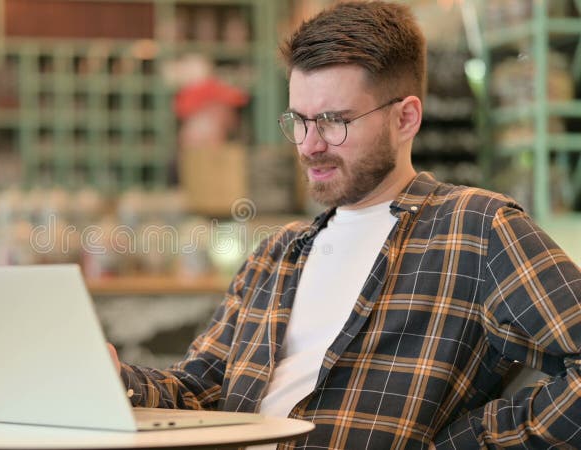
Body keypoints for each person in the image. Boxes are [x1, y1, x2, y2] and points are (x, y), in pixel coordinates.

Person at [109, 1, 581, 448]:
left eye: (334, 121)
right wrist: (115, 380)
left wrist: (468, 442)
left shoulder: (475, 228)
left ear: (405, 118)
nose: (309, 144)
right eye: (299, 120)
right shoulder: (277, 253)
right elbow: (199, 391)